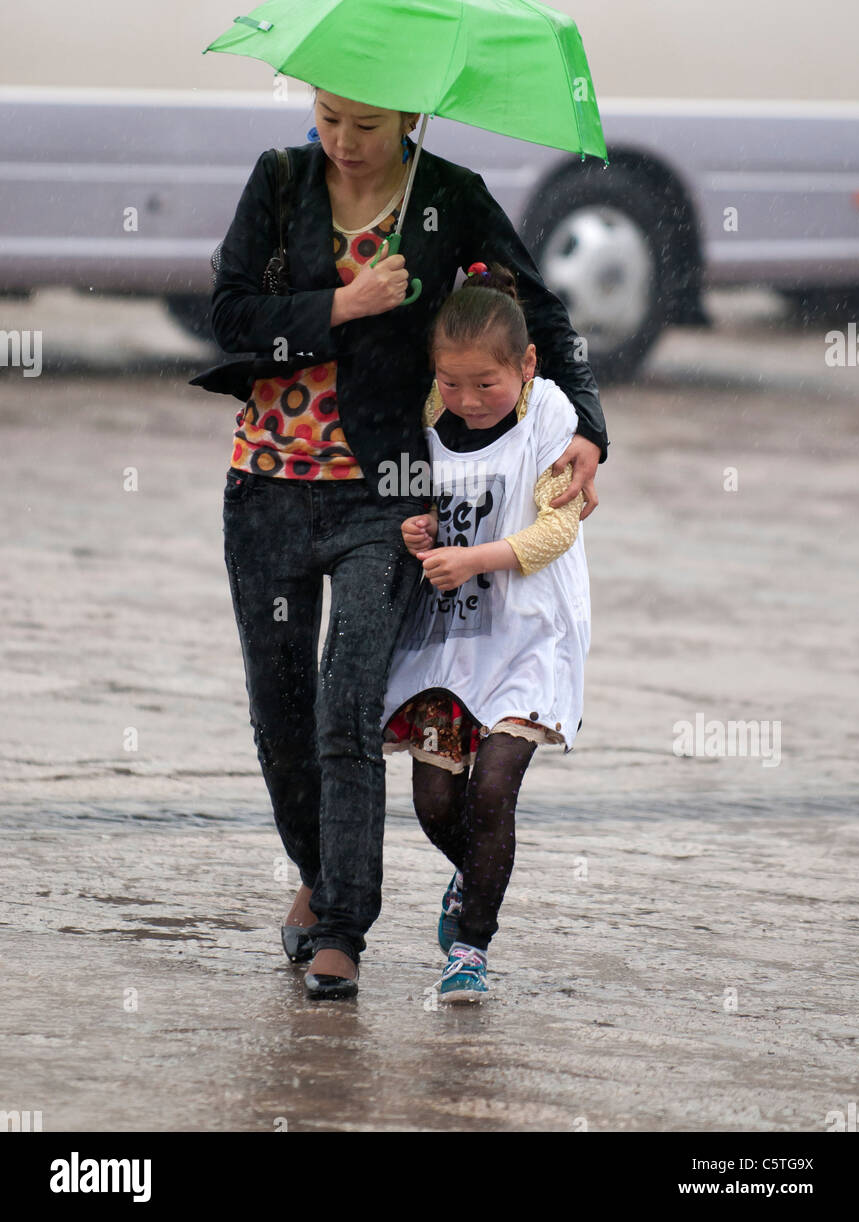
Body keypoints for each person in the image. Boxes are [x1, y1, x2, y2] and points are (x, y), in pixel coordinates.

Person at [189, 87, 609, 1000]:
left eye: (367, 125)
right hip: (264, 487)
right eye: (329, 117)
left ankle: (344, 925)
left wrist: (590, 431)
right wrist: (342, 303)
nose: (342, 140)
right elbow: (224, 315)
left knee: (348, 705)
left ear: (409, 119)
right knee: (279, 711)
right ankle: (321, 871)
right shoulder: (277, 182)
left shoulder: (449, 194)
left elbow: (537, 312)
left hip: (389, 493)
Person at [381, 261, 591, 1002]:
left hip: (529, 637)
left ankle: (470, 945)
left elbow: (558, 527)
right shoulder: (425, 422)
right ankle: (475, 876)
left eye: (486, 384)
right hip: (445, 638)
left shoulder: (550, 416)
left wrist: (474, 556)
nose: (467, 400)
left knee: (492, 787)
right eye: (451, 382)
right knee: (436, 803)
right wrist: (413, 530)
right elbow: (415, 509)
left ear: (526, 365)